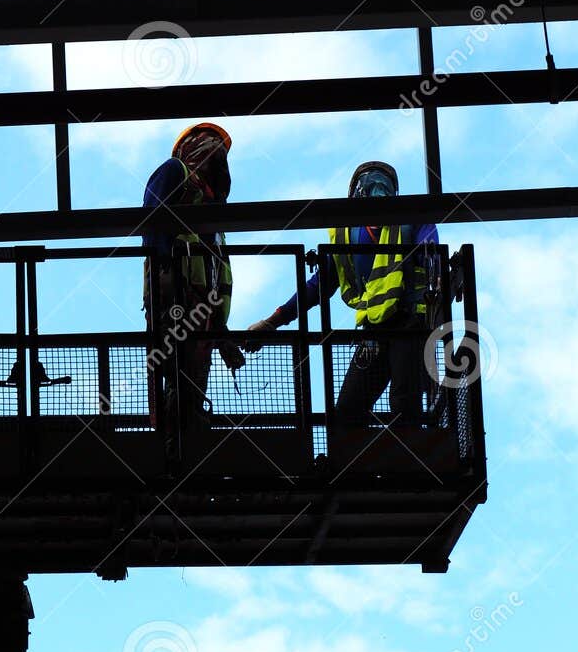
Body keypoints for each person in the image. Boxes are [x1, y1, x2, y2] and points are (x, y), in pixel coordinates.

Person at [245, 160, 438, 428]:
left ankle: (402, 463)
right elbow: (318, 285)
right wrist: (273, 321)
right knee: (352, 409)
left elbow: (432, 263)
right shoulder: (359, 231)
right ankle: (363, 465)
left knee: (401, 404)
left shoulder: (409, 219)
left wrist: (272, 322)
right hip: (378, 329)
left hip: (410, 323)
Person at [142, 122, 244, 430]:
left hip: (203, 315)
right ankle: (174, 452)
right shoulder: (174, 172)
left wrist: (220, 332)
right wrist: (166, 282)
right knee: (176, 378)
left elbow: (214, 275)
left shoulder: (214, 212)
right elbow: (152, 224)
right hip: (174, 302)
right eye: (208, 142)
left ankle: (189, 445)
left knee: (192, 388)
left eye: (220, 146)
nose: (215, 150)